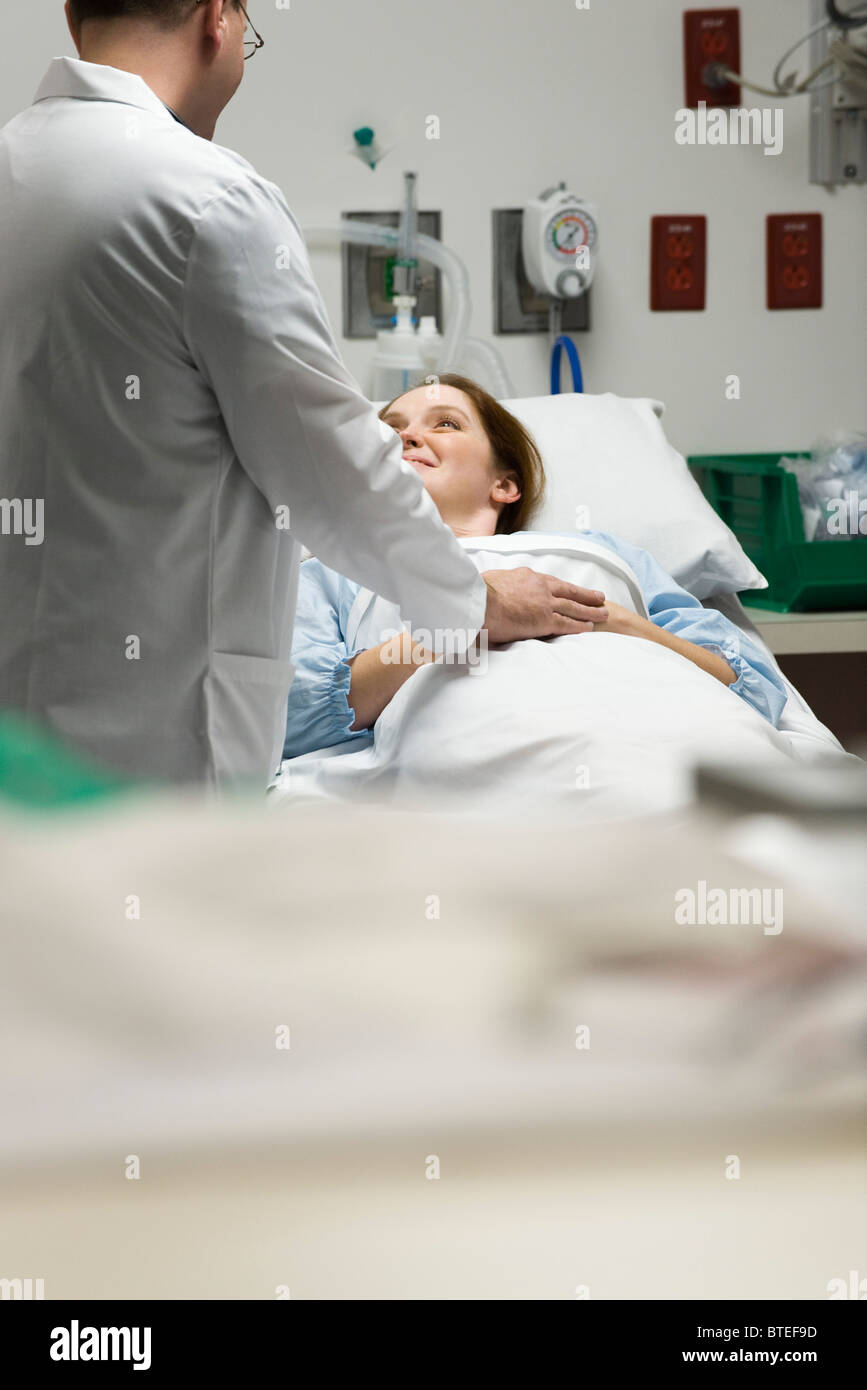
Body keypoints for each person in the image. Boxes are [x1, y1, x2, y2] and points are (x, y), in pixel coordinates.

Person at [0, 1, 605, 793]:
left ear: (76, 15)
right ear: (217, 19)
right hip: (156, 750)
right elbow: (332, 465)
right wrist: (468, 604)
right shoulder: (207, 196)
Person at [283, 375, 788, 760]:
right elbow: (290, 717)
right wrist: (461, 618)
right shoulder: (334, 572)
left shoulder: (601, 552)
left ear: (505, 484)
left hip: (659, 748)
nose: (407, 438)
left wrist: (611, 621)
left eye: (445, 424)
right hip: (461, 765)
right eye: (389, 432)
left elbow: (752, 688)